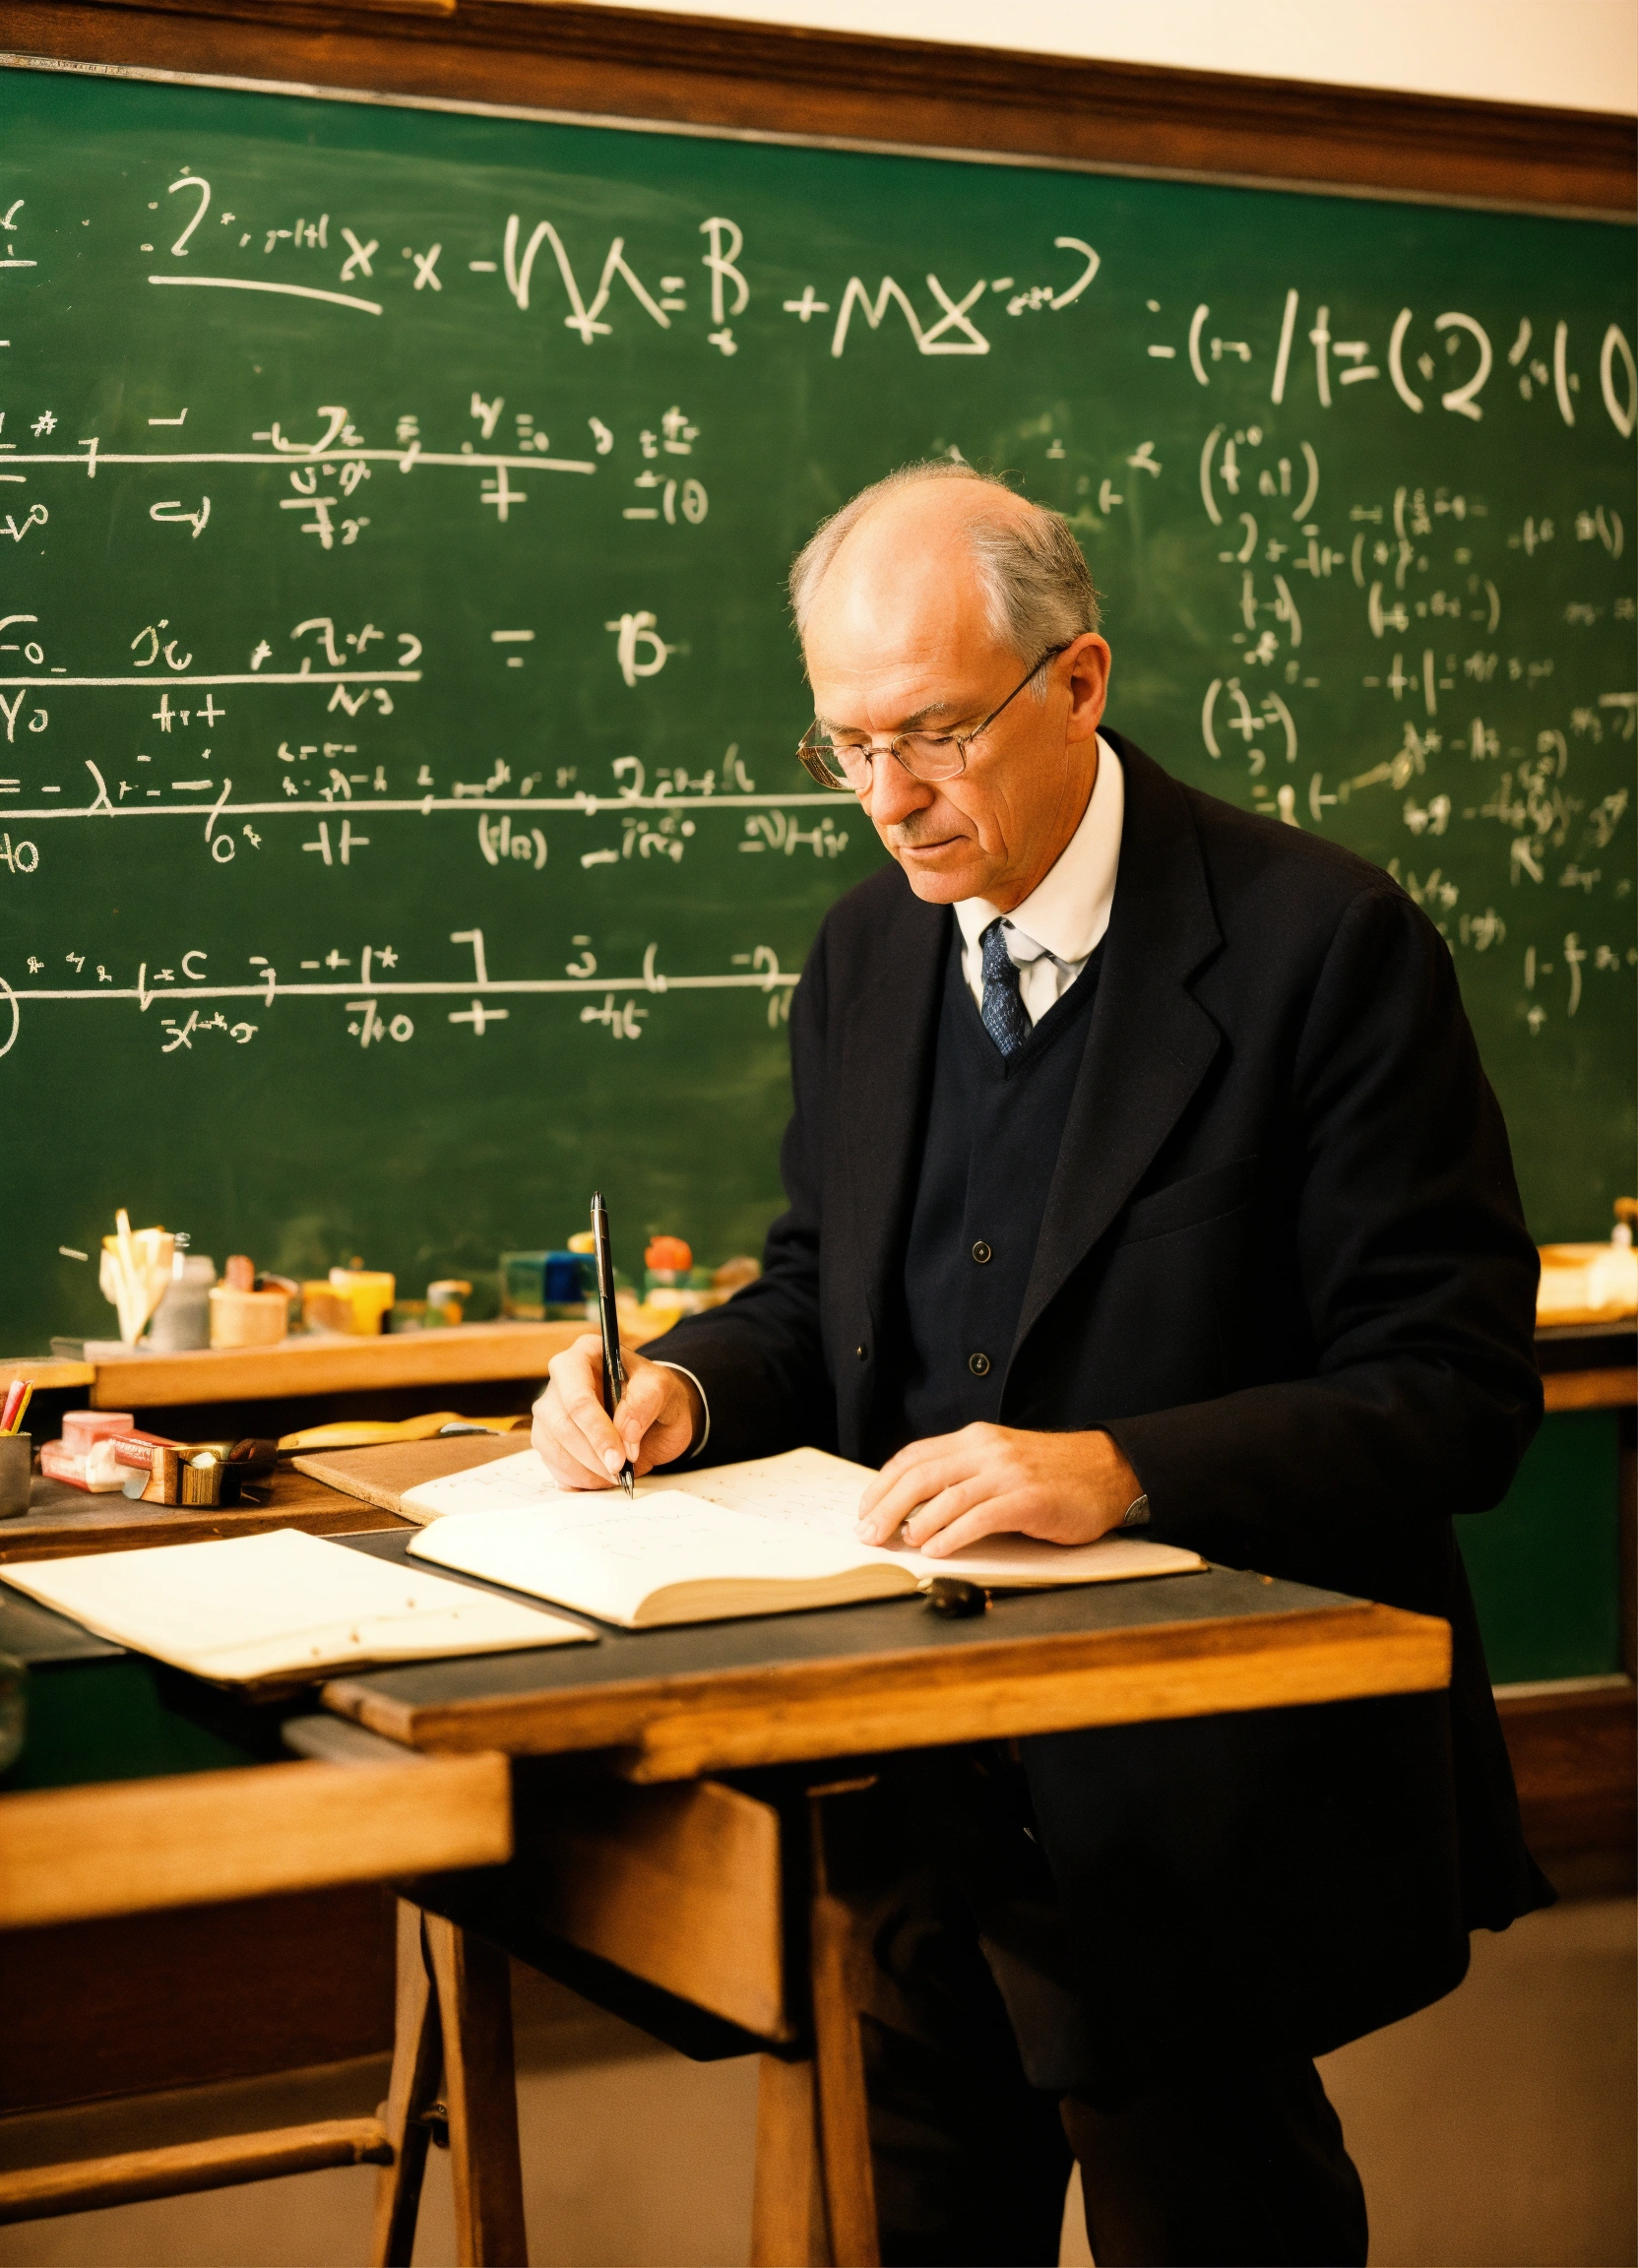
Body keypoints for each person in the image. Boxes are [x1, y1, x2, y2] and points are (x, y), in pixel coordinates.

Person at [533, 463, 1550, 2266]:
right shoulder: (867, 955)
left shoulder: (1326, 946)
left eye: (931, 733)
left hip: (1189, 1812)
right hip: (905, 1782)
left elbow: (1454, 1389)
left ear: (1077, 683)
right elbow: (819, 1292)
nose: (888, 799)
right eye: (843, 746)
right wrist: (684, 1389)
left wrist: (1124, 1467)